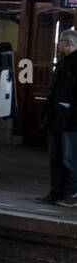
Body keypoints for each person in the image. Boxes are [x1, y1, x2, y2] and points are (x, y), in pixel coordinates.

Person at [38, 29, 77, 207]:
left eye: (60, 41)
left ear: (68, 44)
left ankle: (71, 193)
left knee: (69, 158)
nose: (58, 44)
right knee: (56, 157)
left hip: (70, 121)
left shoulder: (73, 64)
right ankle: (56, 192)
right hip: (56, 118)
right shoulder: (63, 63)